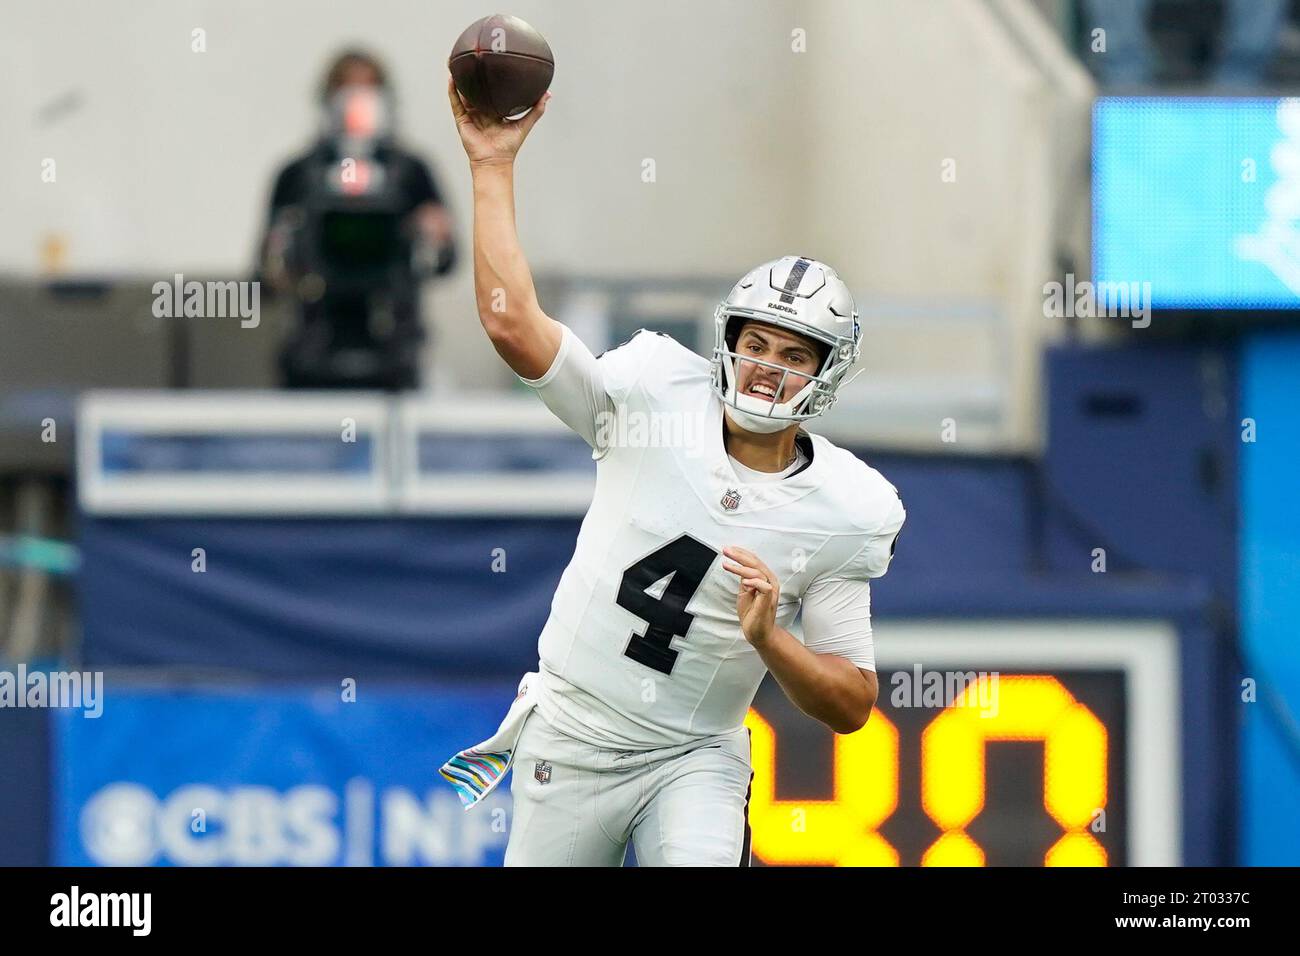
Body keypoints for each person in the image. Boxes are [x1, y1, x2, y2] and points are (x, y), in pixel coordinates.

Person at [438, 78, 905, 866]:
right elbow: (510, 321)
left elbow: (853, 703)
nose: (766, 369)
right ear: (728, 340)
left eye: (794, 355)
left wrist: (770, 640)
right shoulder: (654, 389)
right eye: (757, 344)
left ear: (826, 375)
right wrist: (491, 164)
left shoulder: (846, 507)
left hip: (693, 757)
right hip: (573, 735)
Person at [258, 50, 456, 389]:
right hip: (312, 350)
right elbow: (261, 279)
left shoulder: (410, 172)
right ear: (327, 97)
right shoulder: (299, 176)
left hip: (394, 351)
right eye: (346, 88)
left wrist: (434, 238)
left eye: (368, 89)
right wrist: (281, 257)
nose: (357, 100)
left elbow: (447, 262)